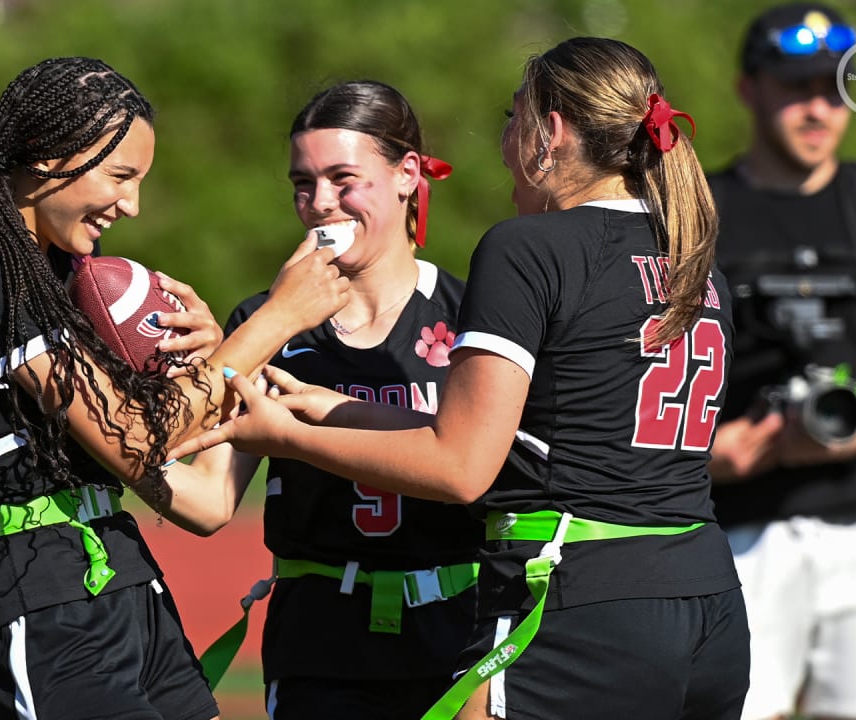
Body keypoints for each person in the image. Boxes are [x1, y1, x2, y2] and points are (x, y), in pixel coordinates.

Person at [172, 37, 749, 720]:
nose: (504, 142)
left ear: (550, 132)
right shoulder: (693, 261)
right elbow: (524, 437)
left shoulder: (526, 249)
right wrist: (329, 407)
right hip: (706, 597)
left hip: (581, 603)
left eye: (512, 119)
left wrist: (289, 436)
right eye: (304, 182)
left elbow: (462, 465)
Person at [0, 56, 348, 720]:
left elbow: (183, 476)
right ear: (48, 157)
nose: (131, 205)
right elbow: (141, 439)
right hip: (40, 593)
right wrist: (277, 317)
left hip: (122, 571)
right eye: (121, 177)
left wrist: (201, 360)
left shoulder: (57, 274)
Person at [165, 79, 483, 720]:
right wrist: (112, 436)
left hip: (461, 637)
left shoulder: (475, 314)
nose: (320, 203)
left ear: (407, 175)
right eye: (302, 184)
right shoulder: (265, 322)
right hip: (321, 646)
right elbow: (208, 502)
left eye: (344, 179)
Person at [704, 3, 856, 719]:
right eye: (796, 86)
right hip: (732, 527)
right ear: (749, 88)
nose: (819, 108)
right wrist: (706, 456)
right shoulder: (699, 216)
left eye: (836, 89)